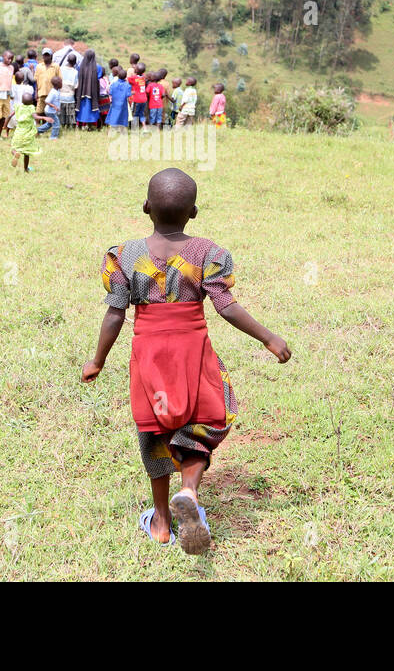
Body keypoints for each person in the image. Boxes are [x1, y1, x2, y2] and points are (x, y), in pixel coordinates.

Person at [82, 168, 291, 554]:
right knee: (209, 416)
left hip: (149, 356)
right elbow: (226, 307)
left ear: (146, 207)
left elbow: (114, 314)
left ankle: (161, 522)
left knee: (154, 429)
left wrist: (97, 360)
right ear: (193, 212)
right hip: (192, 352)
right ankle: (190, 492)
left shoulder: (124, 256)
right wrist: (269, 338)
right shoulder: (208, 254)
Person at [9, 92, 53, 173]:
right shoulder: (31, 108)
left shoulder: (18, 106)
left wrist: (5, 126)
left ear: (22, 101)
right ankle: (26, 169)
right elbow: (35, 116)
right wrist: (44, 117)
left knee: (13, 147)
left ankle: (15, 153)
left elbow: (9, 116)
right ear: (31, 102)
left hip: (19, 132)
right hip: (28, 133)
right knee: (27, 152)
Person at [75, 48, 103, 131]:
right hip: (93, 92)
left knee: (82, 107)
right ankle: (90, 125)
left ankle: (80, 125)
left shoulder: (80, 67)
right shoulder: (98, 67)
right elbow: (99, 77)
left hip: (81, 91)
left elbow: (78, 77)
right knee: (91, 108)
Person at [107, 67, 132, 132]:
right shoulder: (127, 85)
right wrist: (132, 93)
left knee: (114, 115)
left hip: (114, 104)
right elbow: (128, 95)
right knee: (123, 116)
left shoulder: (114, 84)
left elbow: (110, 92)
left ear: (117, 76)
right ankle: (122, 129)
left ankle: (111, 129)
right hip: (123, 104)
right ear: (126, 77)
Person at [38, 75, 63, 139]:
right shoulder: (53, 92)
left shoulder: (57, 91)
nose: (62, 84)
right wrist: (54, 106)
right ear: (58, 84)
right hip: (50, 112)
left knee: (49, 124)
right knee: (56, 124)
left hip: (51, 111)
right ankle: (53, 137)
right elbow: (46, 101)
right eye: (61, 82)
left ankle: (37, 130)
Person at [35, 48, 59, 114]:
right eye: (44, 55)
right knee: (39, 112)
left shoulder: (56, 66)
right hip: (41, 93)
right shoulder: (39, 66)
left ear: (51, 56)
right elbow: (36, 80)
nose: (46, 57)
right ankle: (39, 124)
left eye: (47, 55)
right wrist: (36, 92)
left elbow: (59, 80)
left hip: (52, 94)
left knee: (50, 112)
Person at [59, 54, 79, 130]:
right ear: (75, 62)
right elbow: (76, 85)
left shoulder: (60, 69)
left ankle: (62, 125)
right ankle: (71, 126)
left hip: (61, 95)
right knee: (70, 113)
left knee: (61, 113)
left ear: (67, 60)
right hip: (70, 96)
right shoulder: (75, 72)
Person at [128, 61, 148, 130]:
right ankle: (145, 128)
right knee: (142, 114)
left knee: (135, 114)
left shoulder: (134, 78)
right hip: (144, 99)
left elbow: (127, 79)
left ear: (136, 71)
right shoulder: (144, 78)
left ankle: (134, 128)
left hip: (137, 99)